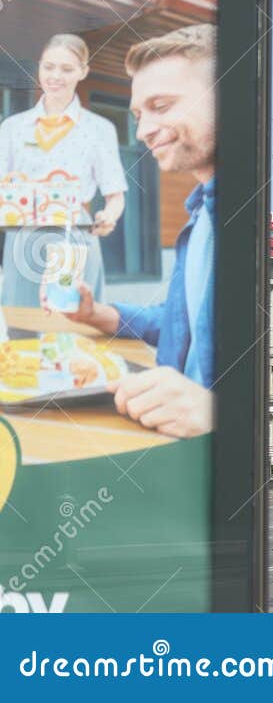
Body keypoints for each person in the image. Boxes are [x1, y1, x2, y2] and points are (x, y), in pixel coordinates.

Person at [51, 25, 216, 439]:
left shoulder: (246, 222)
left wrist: (216, 411)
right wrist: (99, 314)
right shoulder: (201, 217)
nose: (142, 131)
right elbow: (182, 325)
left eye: (161, 105)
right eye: (140, 115)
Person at [0, 34, 128, 308]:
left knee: (71, 323)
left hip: (75, 234)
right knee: (22, 327)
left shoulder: (99, 129)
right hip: (22, 236)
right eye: (49, 66)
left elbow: (115, 195)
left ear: (83, 71)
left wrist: (108, 216)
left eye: (67, 69)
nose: (55, 76)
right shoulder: (12, 128)